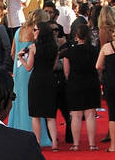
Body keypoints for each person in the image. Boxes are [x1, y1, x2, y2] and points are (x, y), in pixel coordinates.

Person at [9, 15, 51, 147]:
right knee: (32, 102)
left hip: (17, 68)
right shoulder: (35, 32)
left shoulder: (18, 30)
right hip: (30, 69)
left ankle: (16, 130)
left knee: (18, 99)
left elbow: (12, 53)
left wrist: (18, 60)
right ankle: (36, 134)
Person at [19, 20, 59, 150]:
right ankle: (54, 143)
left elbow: (29, 67)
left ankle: (37, 142)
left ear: (41, 32)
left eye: (35, 30)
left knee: (36, 115)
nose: (33, 32)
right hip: (50, 79)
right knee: (50, 115)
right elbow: (54, 66)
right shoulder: (54, 47)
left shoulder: (33, 47)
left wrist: (20, 58)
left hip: (36, 80)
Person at [63, 18, 100, 150]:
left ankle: (76, 144)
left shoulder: (69, 52)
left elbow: (66, 71)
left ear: (76, 36)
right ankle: (92, 144)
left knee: (76, 115)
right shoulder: (95, 50)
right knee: (91, 114)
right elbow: (99, 67)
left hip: (75, 84)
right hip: (91, 83)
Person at [95, 13, 115, 152]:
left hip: (110, 82)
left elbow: (98, 66)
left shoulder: (107, 48)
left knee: (113, 113)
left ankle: (113, 145)